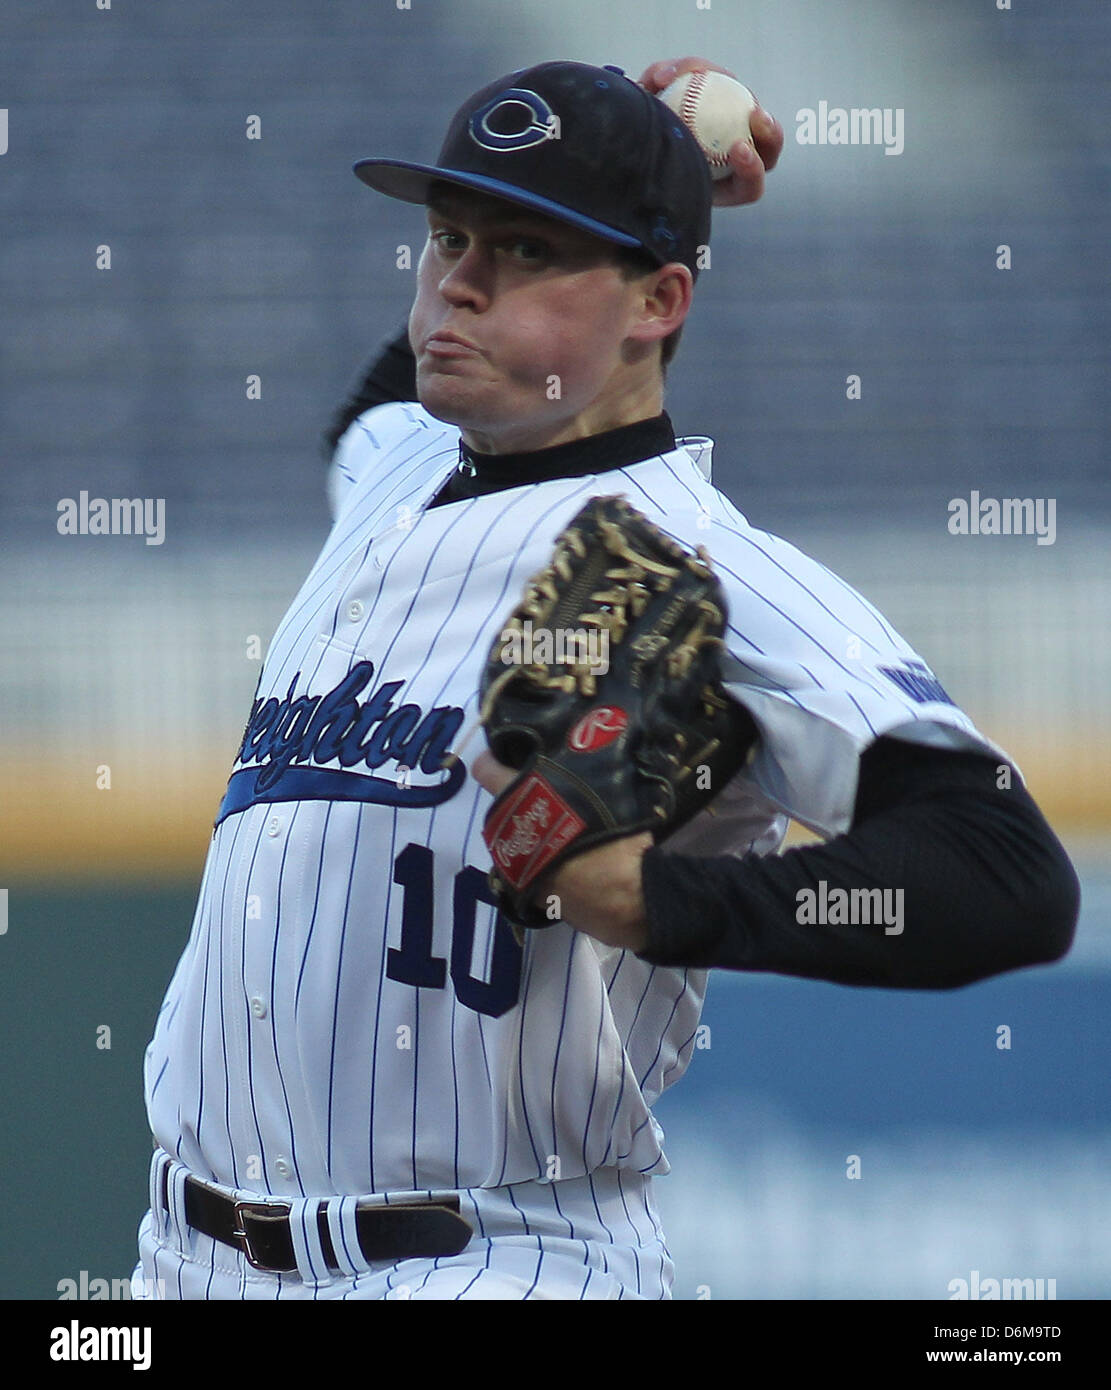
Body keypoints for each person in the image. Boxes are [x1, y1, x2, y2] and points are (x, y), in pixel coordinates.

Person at [133, 58, 1077, 1303]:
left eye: (525, 250)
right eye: (447, 237)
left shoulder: (716, 575)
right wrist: (632, 144)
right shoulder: (396, 468)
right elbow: (385, 392)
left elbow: (1009, 880)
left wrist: (667, 903)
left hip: (493, 1259)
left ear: (658, 300)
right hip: (183, 1258)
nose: (457, 284)